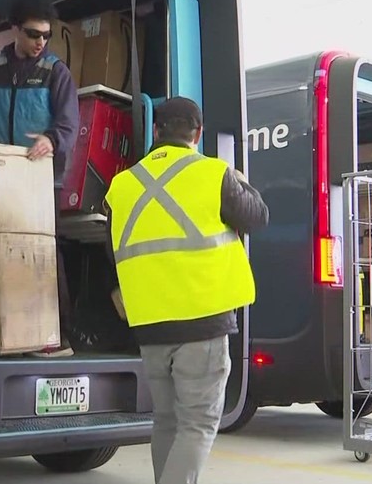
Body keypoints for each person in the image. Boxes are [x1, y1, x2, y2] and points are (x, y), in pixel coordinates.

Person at [103, 96, 269, 484]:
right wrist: (241, 181)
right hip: (203, 320)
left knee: (167, 420)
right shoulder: (214, 174)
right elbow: (257, 217)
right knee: (197, 423)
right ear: (198, 134)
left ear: (156, 131)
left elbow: (111, 248)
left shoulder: (121, 185)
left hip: (150, 324)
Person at [0, 0, 80, 358]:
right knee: (2, 250)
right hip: (3, 174)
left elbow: (69, 123)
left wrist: (50, 140)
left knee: (44, 253)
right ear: (14, 30)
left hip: (41, 178)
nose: (41, 42)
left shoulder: (56, 72)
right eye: (33, 34)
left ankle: (58, 337)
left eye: (46, 36)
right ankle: (11, 333)